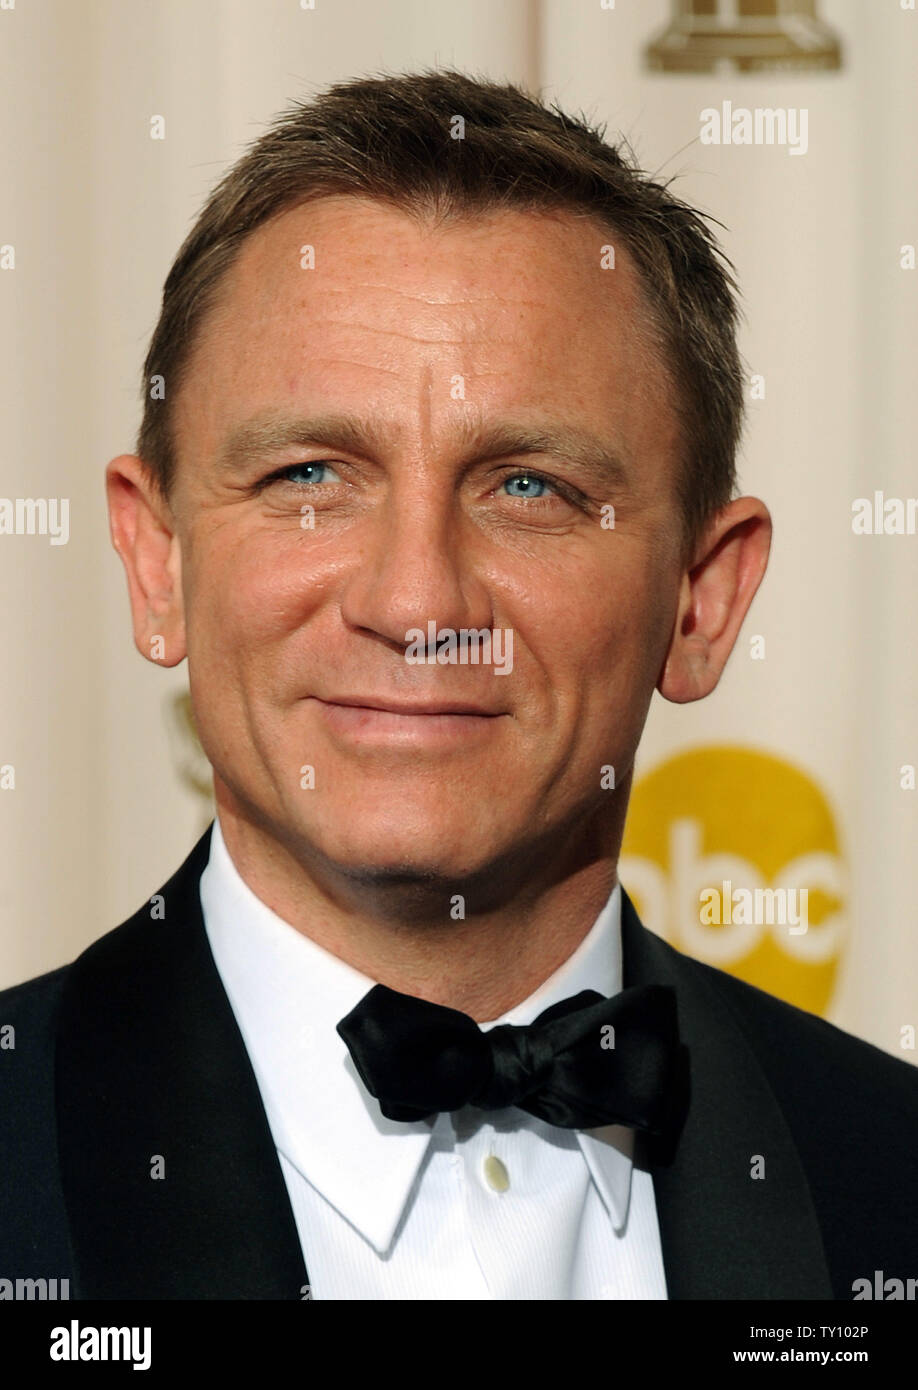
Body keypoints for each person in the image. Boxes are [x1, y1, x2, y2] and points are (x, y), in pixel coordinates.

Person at [2, 68, 916, 1302]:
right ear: (158, 563)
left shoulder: (890, 1174)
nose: (418, 603)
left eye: (529, 487)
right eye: (311, 476)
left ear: (702, 600)